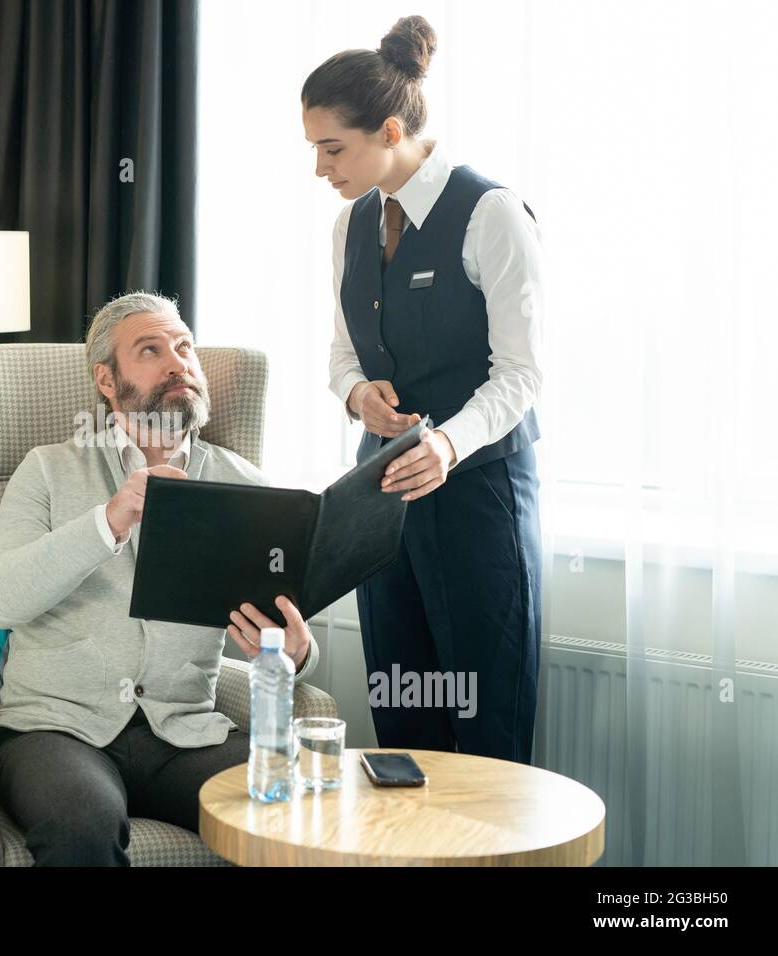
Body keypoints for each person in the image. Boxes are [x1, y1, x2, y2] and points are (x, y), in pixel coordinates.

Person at [0, 291, 320, 865]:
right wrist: (108, 521)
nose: (178, 362)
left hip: (184, 734)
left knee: (292, 805)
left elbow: (287, 630)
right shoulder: (49, 470)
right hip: (54, 730)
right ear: (107, 381)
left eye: (185, 348)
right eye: (151, 350)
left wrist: (295, 650)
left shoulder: (248, 490)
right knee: (80, 825)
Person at [302, 15, 543, 763]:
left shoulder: (491, 212)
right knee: (403, 732)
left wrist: (446, 442)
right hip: (386, 507)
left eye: (332, 148)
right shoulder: (350, 226)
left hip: (478, 500)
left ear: (390, 129)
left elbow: (522, 373)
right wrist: (356, 396)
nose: (320, 168)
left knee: (484, 734)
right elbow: (342, 355)